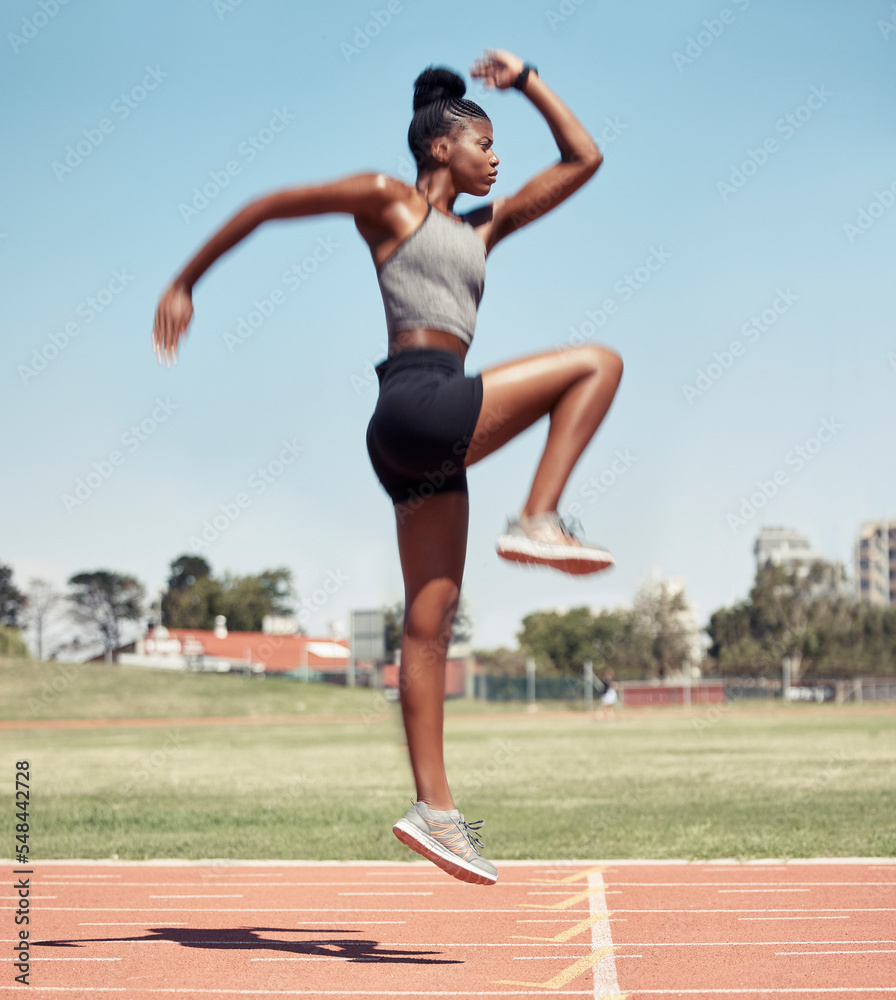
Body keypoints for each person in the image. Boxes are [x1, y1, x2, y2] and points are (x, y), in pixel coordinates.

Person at [152, 49, 623, 887]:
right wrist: (188, 278)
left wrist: (528, 80)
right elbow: (267, 206)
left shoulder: (487, 227)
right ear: (441, 147)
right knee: (597, 363)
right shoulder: (388, 201)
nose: (496, 157)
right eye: (483, 142)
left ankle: (434, 810)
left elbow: (585, 159)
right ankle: (539, 516)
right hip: (417, 401)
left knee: (430, 625)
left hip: (419, 439)